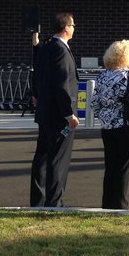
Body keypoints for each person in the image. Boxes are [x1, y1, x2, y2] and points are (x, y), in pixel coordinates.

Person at [91, 39, 129, 209]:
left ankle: (107, 203)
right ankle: (120, 204)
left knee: (110, 165)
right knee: (124, 166)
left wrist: (105, 115)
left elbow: (94, 103)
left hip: (107, 126)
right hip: (127, 125)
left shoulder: (102, 76)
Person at [30, 13, 79, 207]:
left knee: (42, 158)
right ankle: (55, 203)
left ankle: (38, 201)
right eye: (73, 25)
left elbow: (37, 74)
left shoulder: (45, 48)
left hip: (45, 113)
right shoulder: (60, 50)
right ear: (66, 27)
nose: (74, 29)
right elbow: (62, 83)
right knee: (59, 159)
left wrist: (36, 95)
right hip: (59, 116)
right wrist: (69, 114)